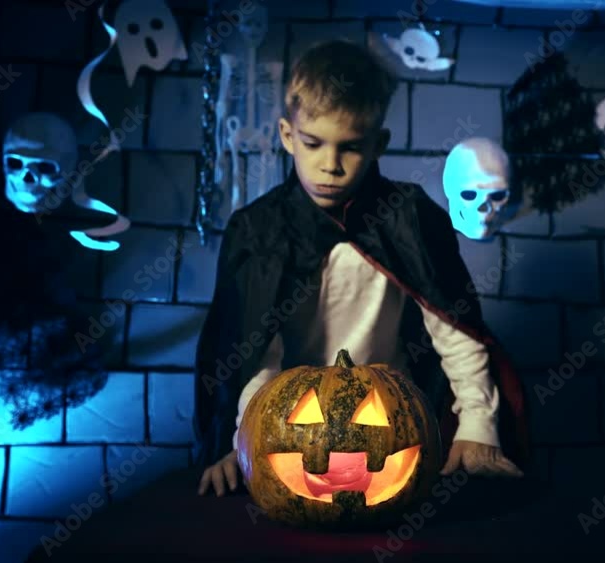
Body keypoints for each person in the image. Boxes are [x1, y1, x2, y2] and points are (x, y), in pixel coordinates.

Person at [195, 39, 529, 497]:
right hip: (291, 428)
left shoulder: (408, 216)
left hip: (392, 422)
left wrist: (477, 426)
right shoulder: (259, 231)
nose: (329, 165)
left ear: (378, 145)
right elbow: (253, 351)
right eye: (313, 144)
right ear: (288, 135)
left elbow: (454, 327)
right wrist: (249, 440)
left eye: (350, 148)